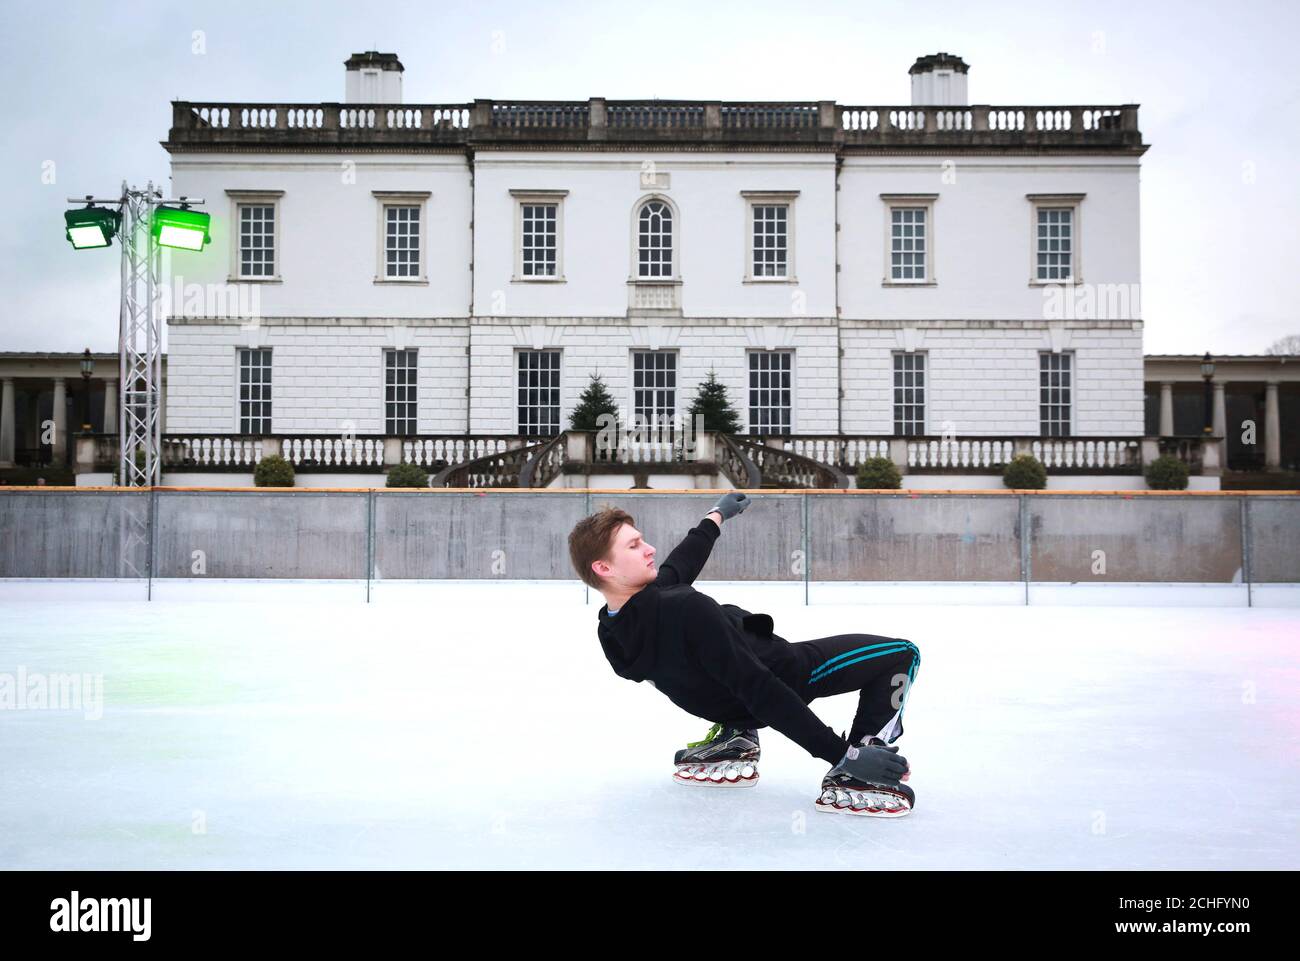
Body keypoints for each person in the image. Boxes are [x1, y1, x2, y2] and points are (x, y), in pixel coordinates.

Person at [567, 492, 921, 818]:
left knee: (715, 668)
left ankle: (736, 736)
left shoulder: (613, 631)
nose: (650, 548)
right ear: (604, 568)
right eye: (634, 545)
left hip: (725, 705)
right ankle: (862, 760)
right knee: (901, 653)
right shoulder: (688, 608)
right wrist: (842, 755)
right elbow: (760, 688)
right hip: (788, 674)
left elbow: (680, 566)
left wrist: (716, 516)